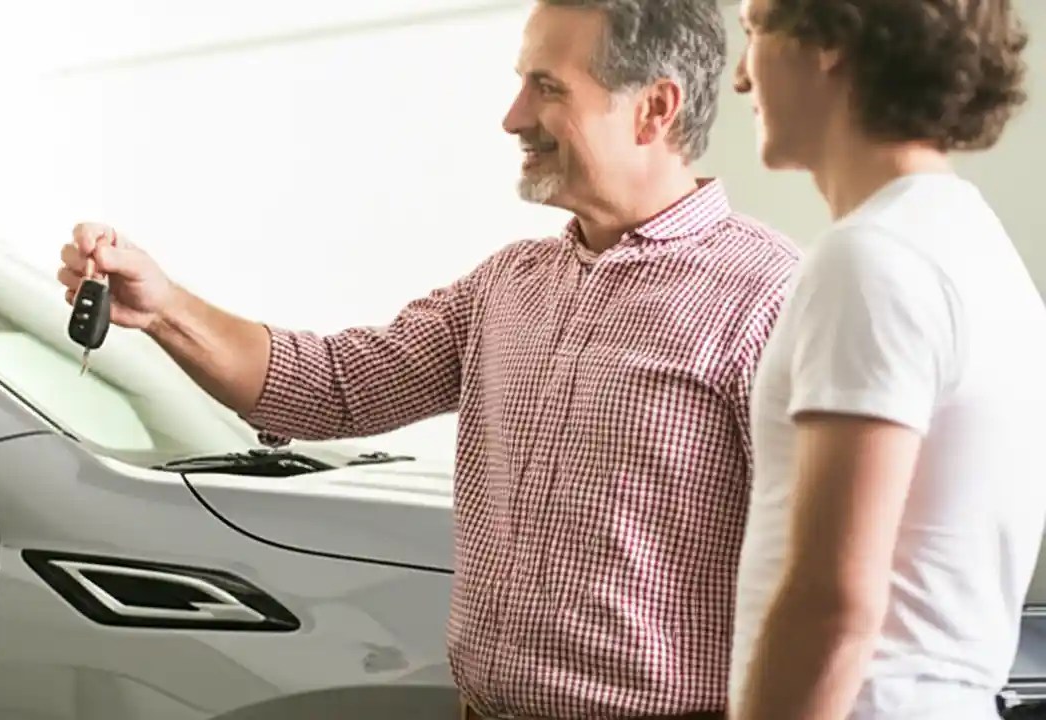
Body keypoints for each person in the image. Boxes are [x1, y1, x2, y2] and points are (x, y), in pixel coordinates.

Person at [59, 1, 799, 717]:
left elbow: (826, 585)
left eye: (546, 87)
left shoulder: (771, 301)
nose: (513, 117)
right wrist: (163, 308)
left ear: (655, 108)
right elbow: (329, 386)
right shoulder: (508, 284)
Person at [729, 0, 1046, 718]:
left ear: (831, 38)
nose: (742, 76)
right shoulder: (976, 248)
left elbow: (832, 606)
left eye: (755, 32)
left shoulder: (870, 259)